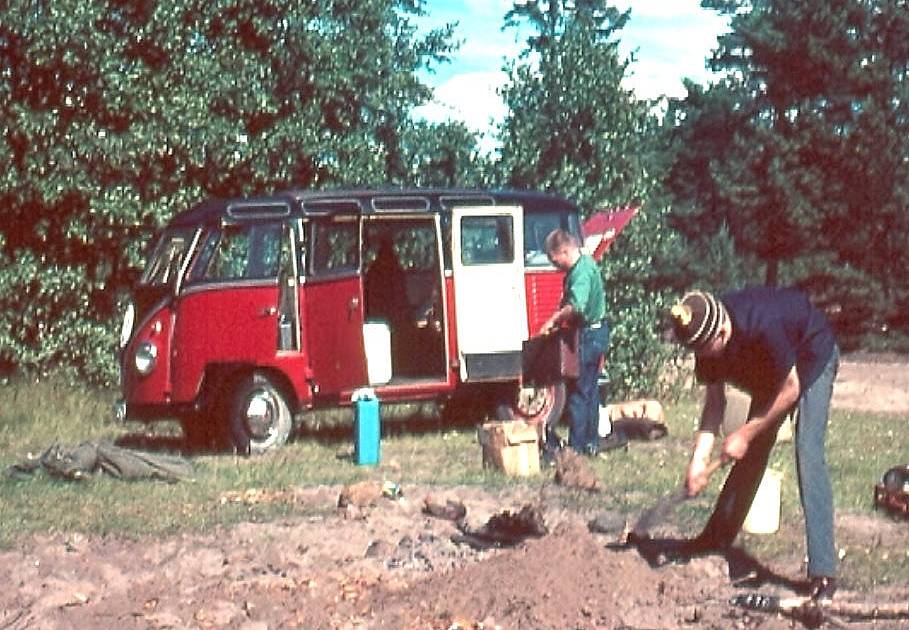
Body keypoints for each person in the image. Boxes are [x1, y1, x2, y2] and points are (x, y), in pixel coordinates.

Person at [667, 287, 839, 603]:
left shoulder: (763, 324)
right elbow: (714, 406)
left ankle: (823, 571)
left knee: (808, 452)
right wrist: (697, 462)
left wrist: (746, 432)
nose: (703, 360)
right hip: (768, 371)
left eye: (706, 351)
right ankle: (716, 538)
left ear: (721, 333)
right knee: (751, 453)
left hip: (810, 357)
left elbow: (791, 389)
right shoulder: (705, 340)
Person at [539, 229, 609, 457]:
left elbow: (576, 305)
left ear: (565, 251)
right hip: (596, 332)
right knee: (590, 390)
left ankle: (577, 448)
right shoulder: (586, 264)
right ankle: (591, 443)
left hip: (589, 336)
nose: (554, 265)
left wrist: (554, 319)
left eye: (554, 259)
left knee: (579, 392)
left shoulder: (580, 273)